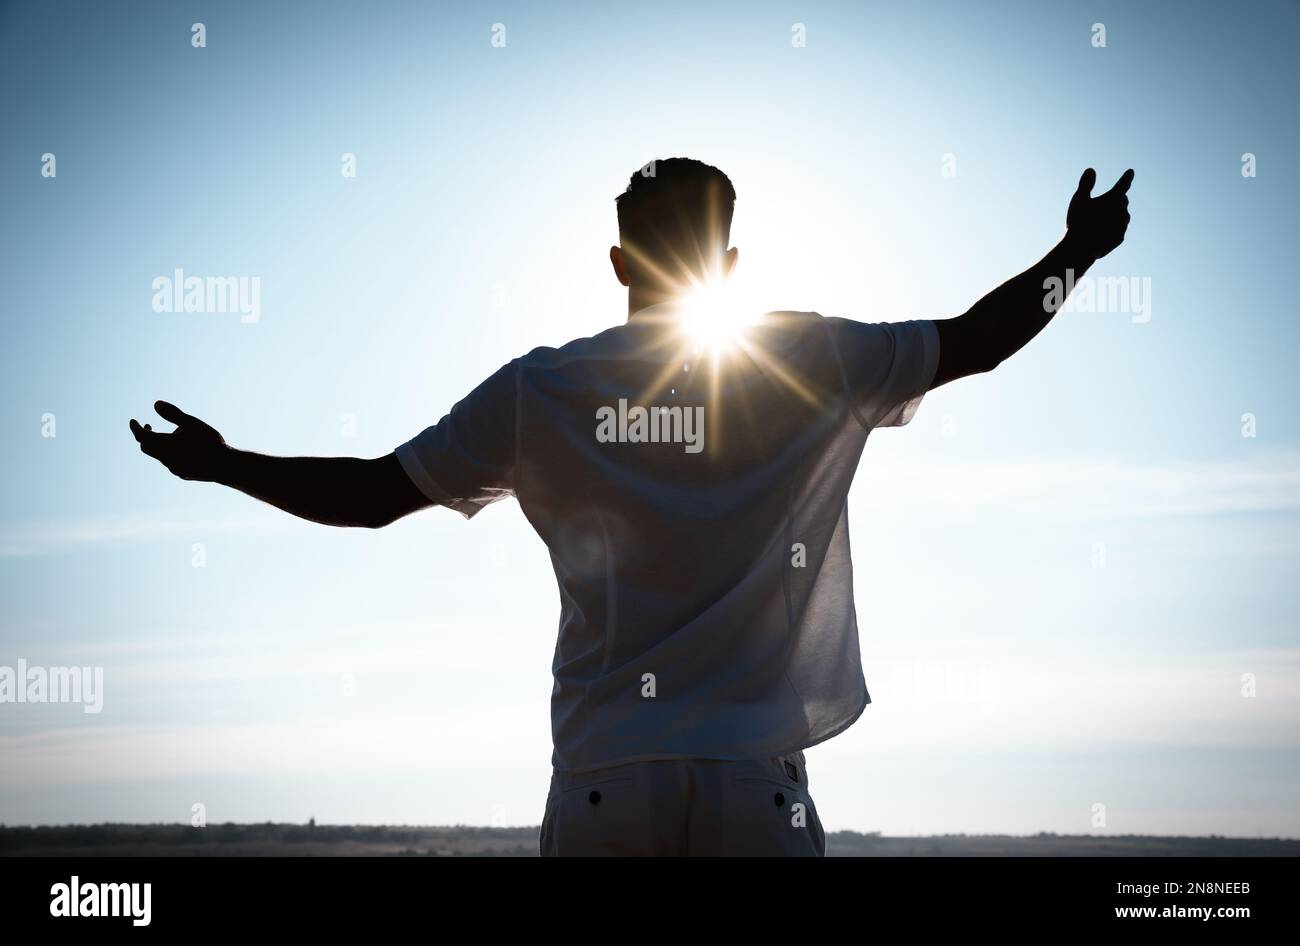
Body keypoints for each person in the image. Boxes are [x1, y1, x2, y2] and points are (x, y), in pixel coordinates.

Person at [130, 157, 1133, 856]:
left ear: (617, 263)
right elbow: (981, 339)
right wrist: (1075, 253)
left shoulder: (539, 393)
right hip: (756, 789)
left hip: (608, 777)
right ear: (729, 266)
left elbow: (372, 497)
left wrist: (226, 464)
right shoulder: (816, 359)